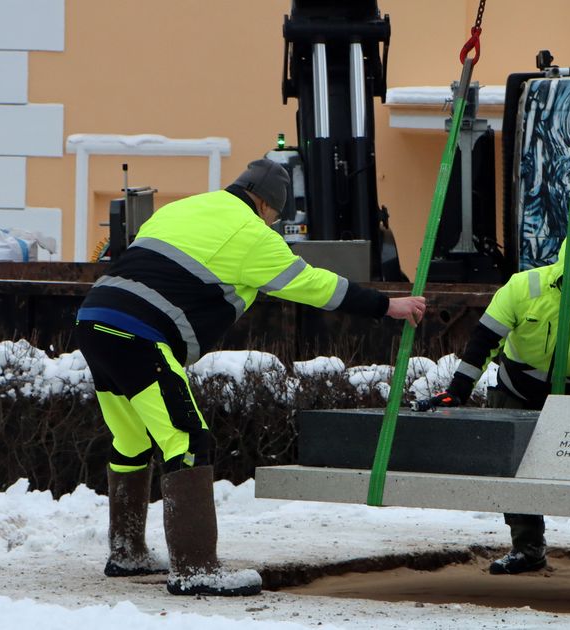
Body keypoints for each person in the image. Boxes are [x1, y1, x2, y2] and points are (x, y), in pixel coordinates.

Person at [75, 159, 427, 597]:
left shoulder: (184, 208)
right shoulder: (250, 233)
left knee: (132, 439)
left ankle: (127, 551)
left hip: (94, 321)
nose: (273, 223)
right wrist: (385, 305)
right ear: (264, 204)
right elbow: (312, 285)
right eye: (275, 215)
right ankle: (195, 569)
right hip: (138, 334)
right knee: (187, 439)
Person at [414, 229, 570, 582]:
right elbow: (483, 342)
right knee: (515, 470)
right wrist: (458, 390)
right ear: (565, 272)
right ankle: (527, 549)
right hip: (517, 386)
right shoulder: (521, 288)